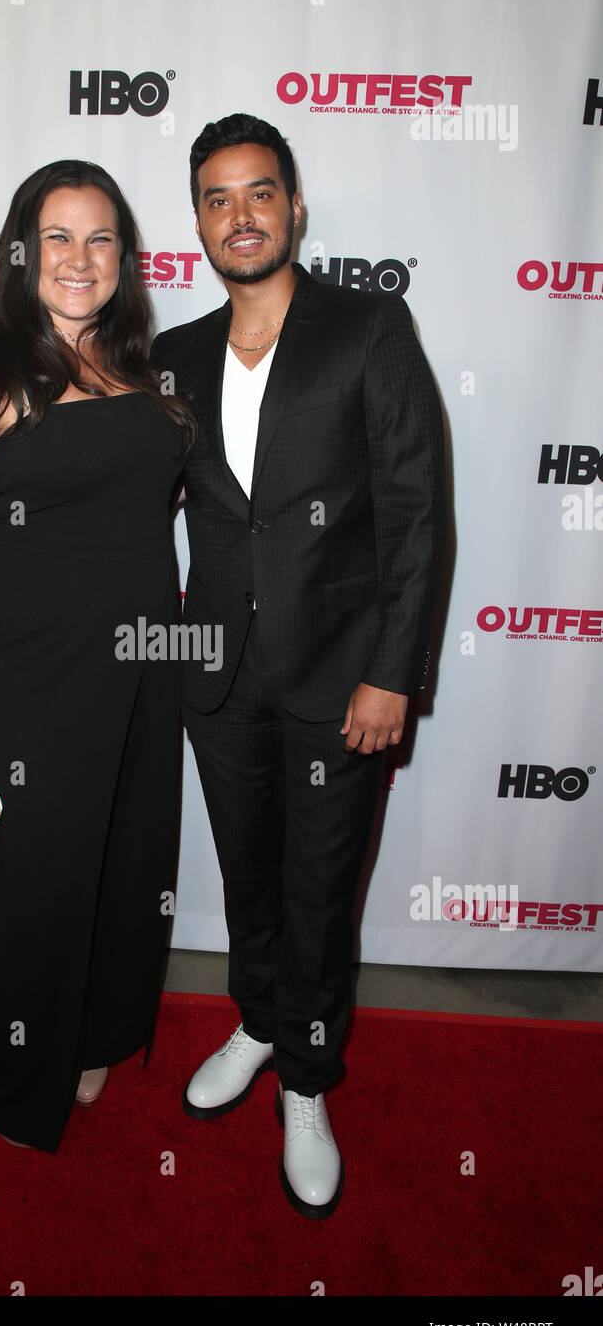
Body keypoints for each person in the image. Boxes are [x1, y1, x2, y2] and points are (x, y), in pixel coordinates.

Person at [150, 114, 446, 1217]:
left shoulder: (366, 329)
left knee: (322, 890)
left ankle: (308, 1078)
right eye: (218, 198)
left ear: (294, 207)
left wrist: (391, 672)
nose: (241, 214)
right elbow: (127, 508)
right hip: (217, 678)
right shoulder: (172, 354)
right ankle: (260, 1021)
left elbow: (415, 514)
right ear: (197, 223)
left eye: (259, 192)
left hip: (339, 681)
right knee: (247, 875)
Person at [0, 160, 194, 1153]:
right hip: (31, 673)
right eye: (58, 236)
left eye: (101, 236)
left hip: (143, 667)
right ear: (21, 252)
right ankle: (23, 1065)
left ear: (125, 256)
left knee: (126, 860)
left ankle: (98, 1032)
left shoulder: (143, 373)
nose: (80, 258)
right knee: (41, 881)